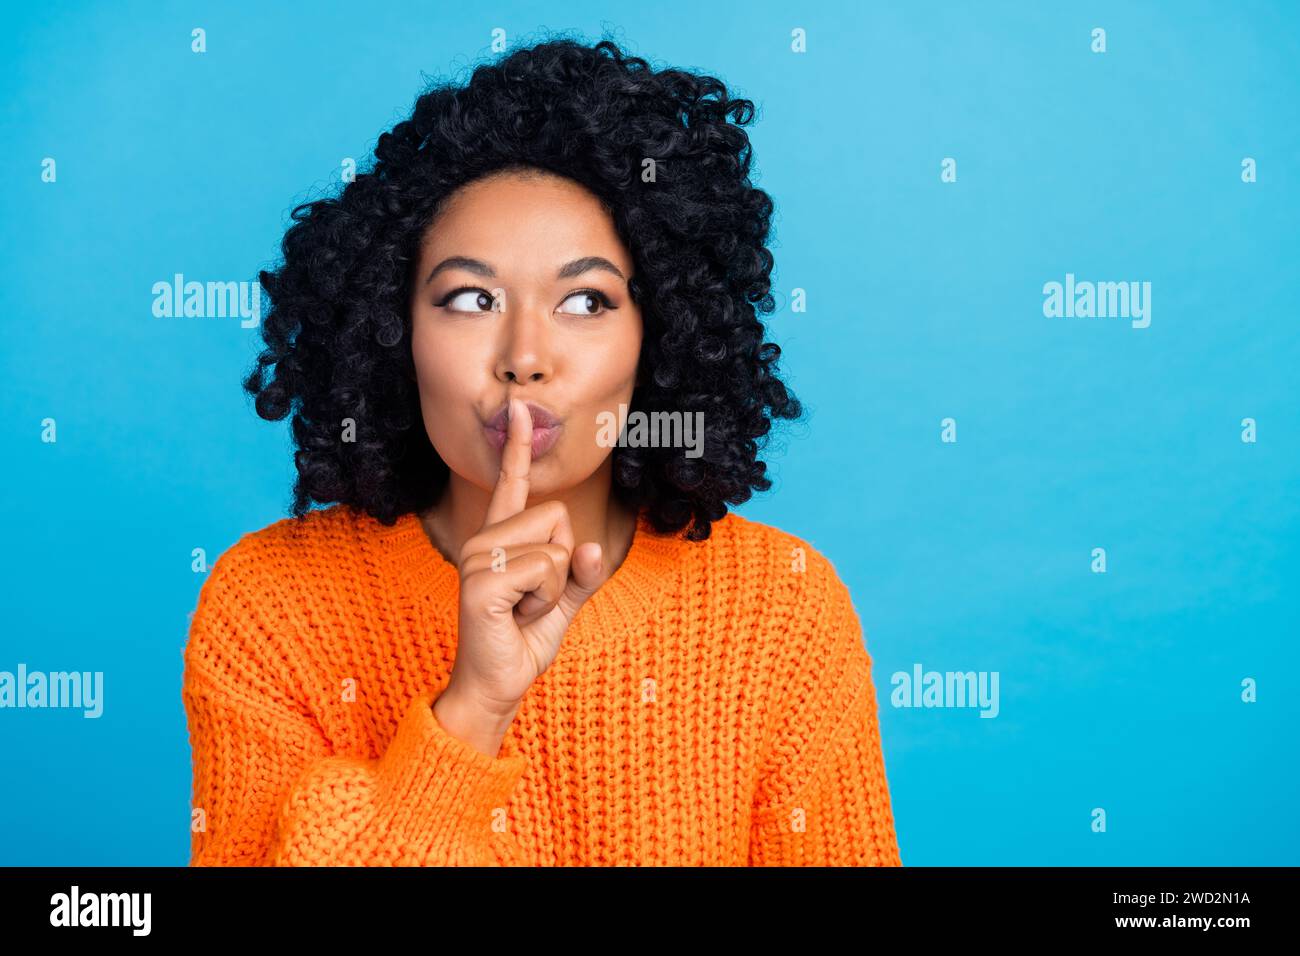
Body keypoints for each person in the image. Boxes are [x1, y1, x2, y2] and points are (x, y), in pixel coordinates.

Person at [182, 35, 902, 866]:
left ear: (658, 336)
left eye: (586, 300)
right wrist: (475, 709)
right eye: (472, 297)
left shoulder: (782, 610)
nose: (524, 353)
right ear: (391, 331)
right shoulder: (272, 608)